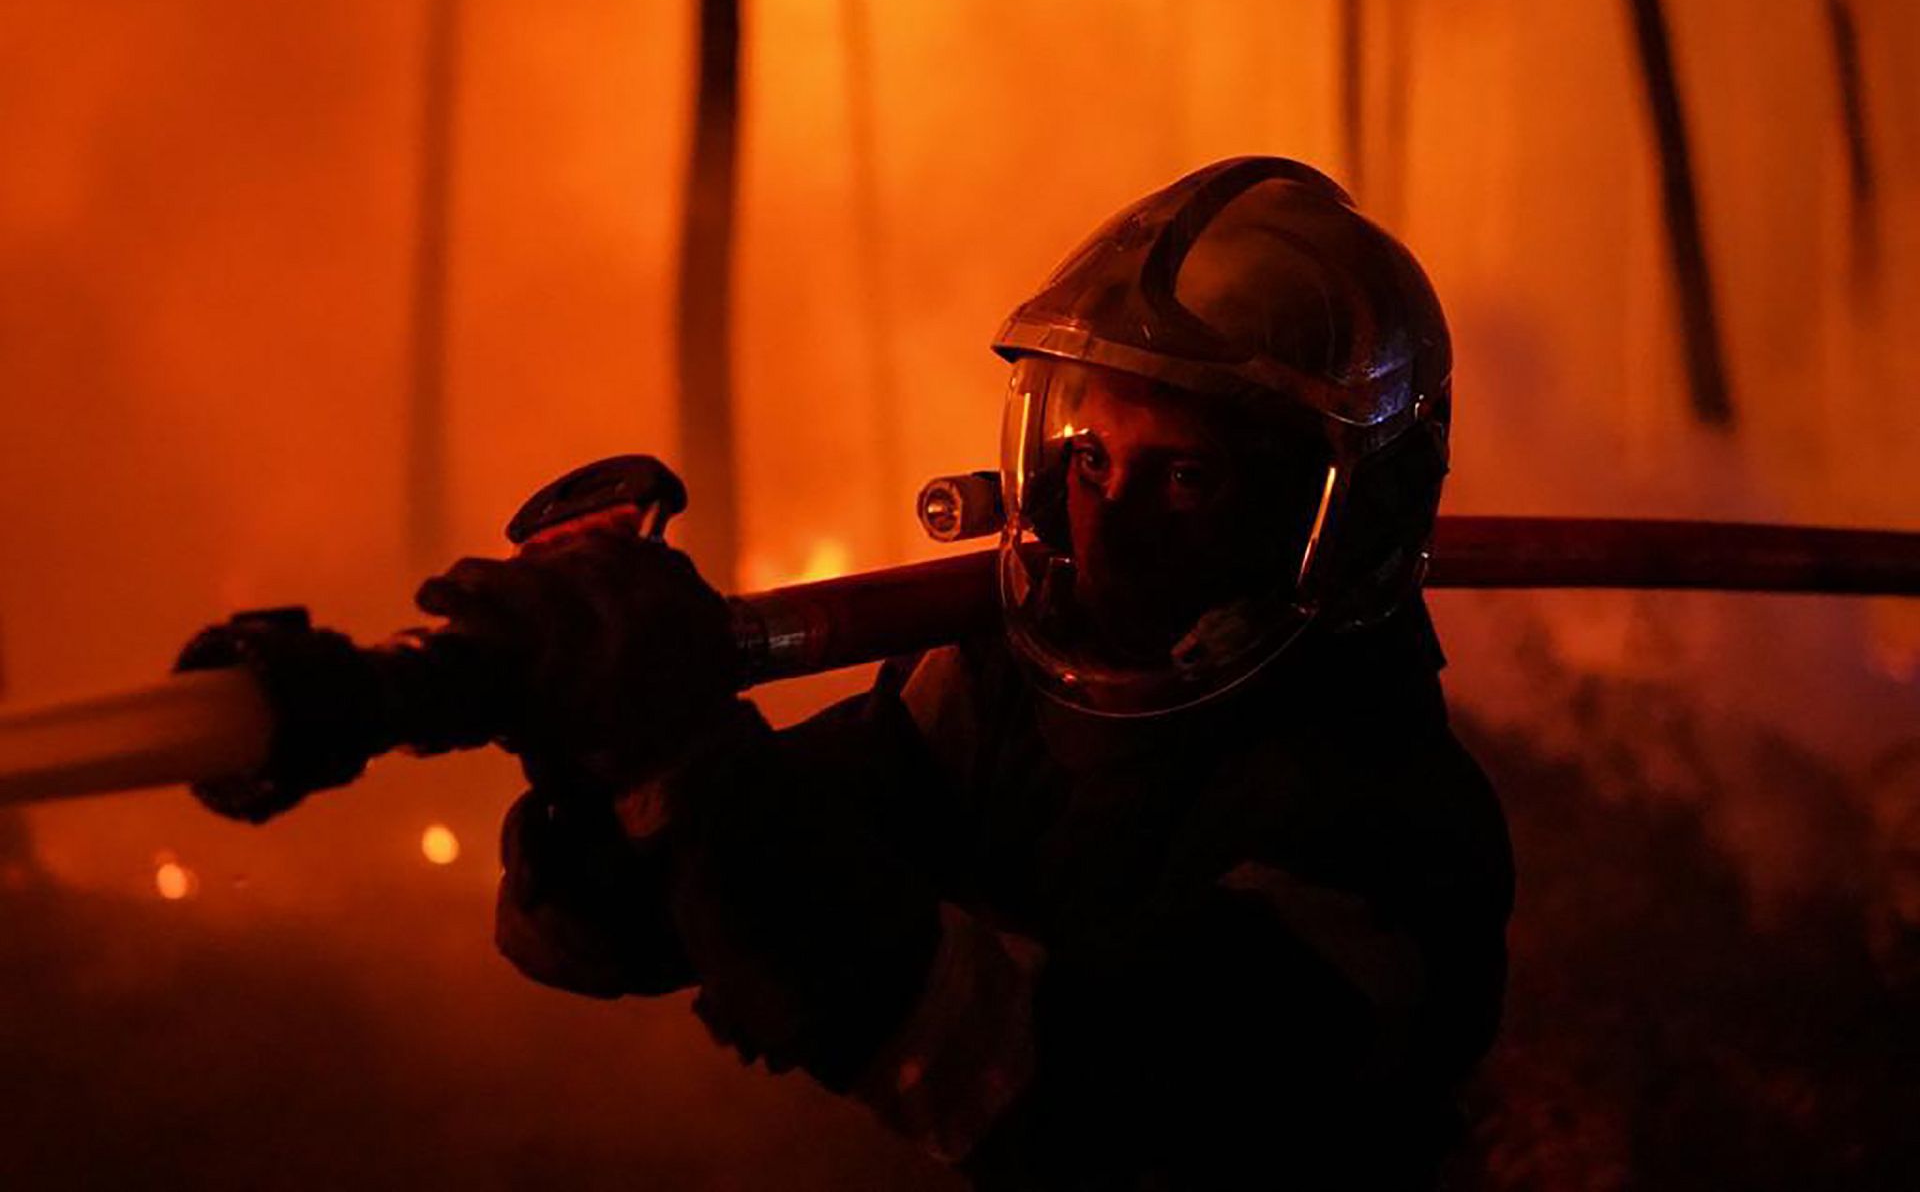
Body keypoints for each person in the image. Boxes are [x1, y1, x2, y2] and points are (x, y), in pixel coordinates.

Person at [247, 157, 1515, 1189]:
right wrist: (595, 752)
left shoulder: (1390, 832)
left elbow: (1078, 1101)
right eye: (1088, 460)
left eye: (1186, 476)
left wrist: (686, 756)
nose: (1103, 529)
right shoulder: (1004, 699)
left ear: (1335, 514)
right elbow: (597, 933)